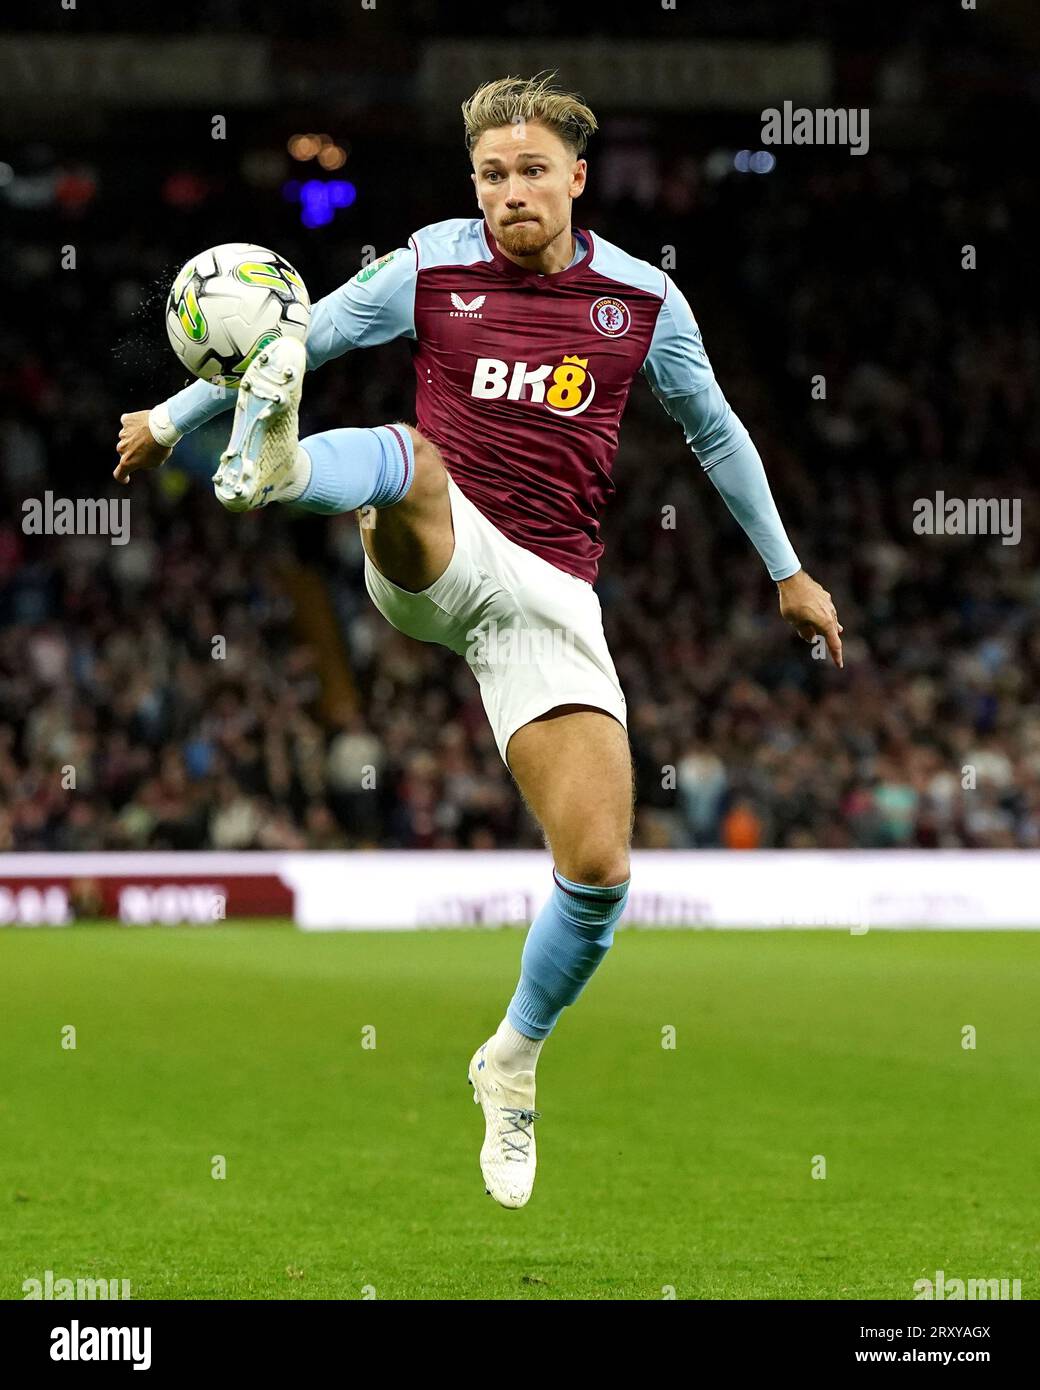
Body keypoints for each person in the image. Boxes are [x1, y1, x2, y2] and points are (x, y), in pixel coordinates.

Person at [114, 71, 843, 1209]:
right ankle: (285, 468)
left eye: (530, 173)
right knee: (414, 451)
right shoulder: (429, 264)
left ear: (575, 181)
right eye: (493, 174)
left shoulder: (643, 302)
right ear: (475, 184)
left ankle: (510, 1056)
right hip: (433, 545)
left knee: (599, 868)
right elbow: (292, 332)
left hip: (548, 597)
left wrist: (786, 570)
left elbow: (717, 432)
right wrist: (169, 420)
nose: (510, 192)